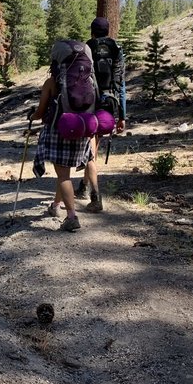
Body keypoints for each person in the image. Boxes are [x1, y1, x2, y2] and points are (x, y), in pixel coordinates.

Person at [29, 43, 95, 232]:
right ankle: (56, 205)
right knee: (64, 172)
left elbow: (40, 113)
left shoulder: (52, 82)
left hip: (59, 131)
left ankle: (72, 216)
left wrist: (32, 116)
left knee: (63, 175)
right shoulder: (89, 80)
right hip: (81, 130)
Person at [77, 16, 126, 212]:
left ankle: (95, 196)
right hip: (109, 104)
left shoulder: (87, 47)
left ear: (92, 32)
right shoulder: (116, 48)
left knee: (90, 148)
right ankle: (83, 186)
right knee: (94, 145)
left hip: (90, 103)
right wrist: (122, 116)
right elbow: (121, 85)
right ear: (108, 31)